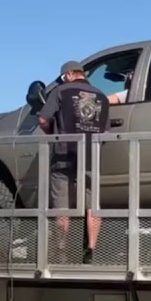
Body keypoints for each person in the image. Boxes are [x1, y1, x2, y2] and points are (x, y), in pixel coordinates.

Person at [36, 60, 111, 264]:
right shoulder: (101, 96)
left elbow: (43, 119)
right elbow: (105, 131)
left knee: (62, 206)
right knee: (92, 206)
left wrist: (52, 134)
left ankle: (61, 252)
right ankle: (90, 251)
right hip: (90, 158)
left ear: (69, 74)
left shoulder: (61, 91)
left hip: (64, 156)